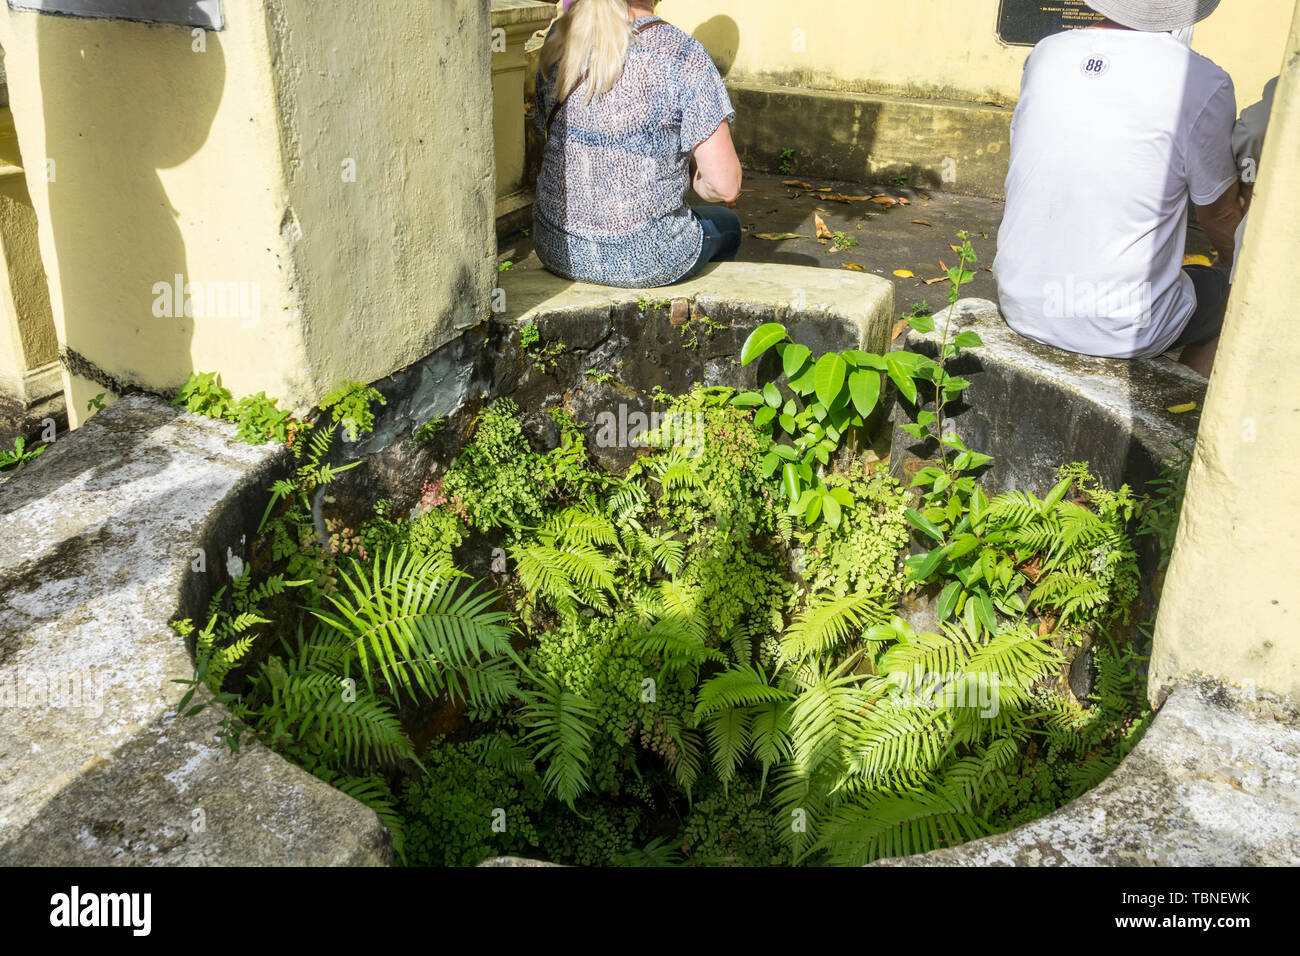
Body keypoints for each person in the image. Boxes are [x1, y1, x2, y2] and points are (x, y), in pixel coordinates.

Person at [993, 0, 1242, 377]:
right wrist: (1233, 263)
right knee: (1240, 299)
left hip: (1020, 299)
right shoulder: (1203, 80)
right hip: (1122, 326)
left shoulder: (1047, 53)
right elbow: (1220, 214)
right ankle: (1178, 419)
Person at [532, 0, 743, 289]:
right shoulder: (682, 52)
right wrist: (698, 180)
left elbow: (547, 127)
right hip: (649, 258)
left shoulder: (561, 37)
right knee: (728, 225)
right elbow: (724, 186)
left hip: (556, 247)